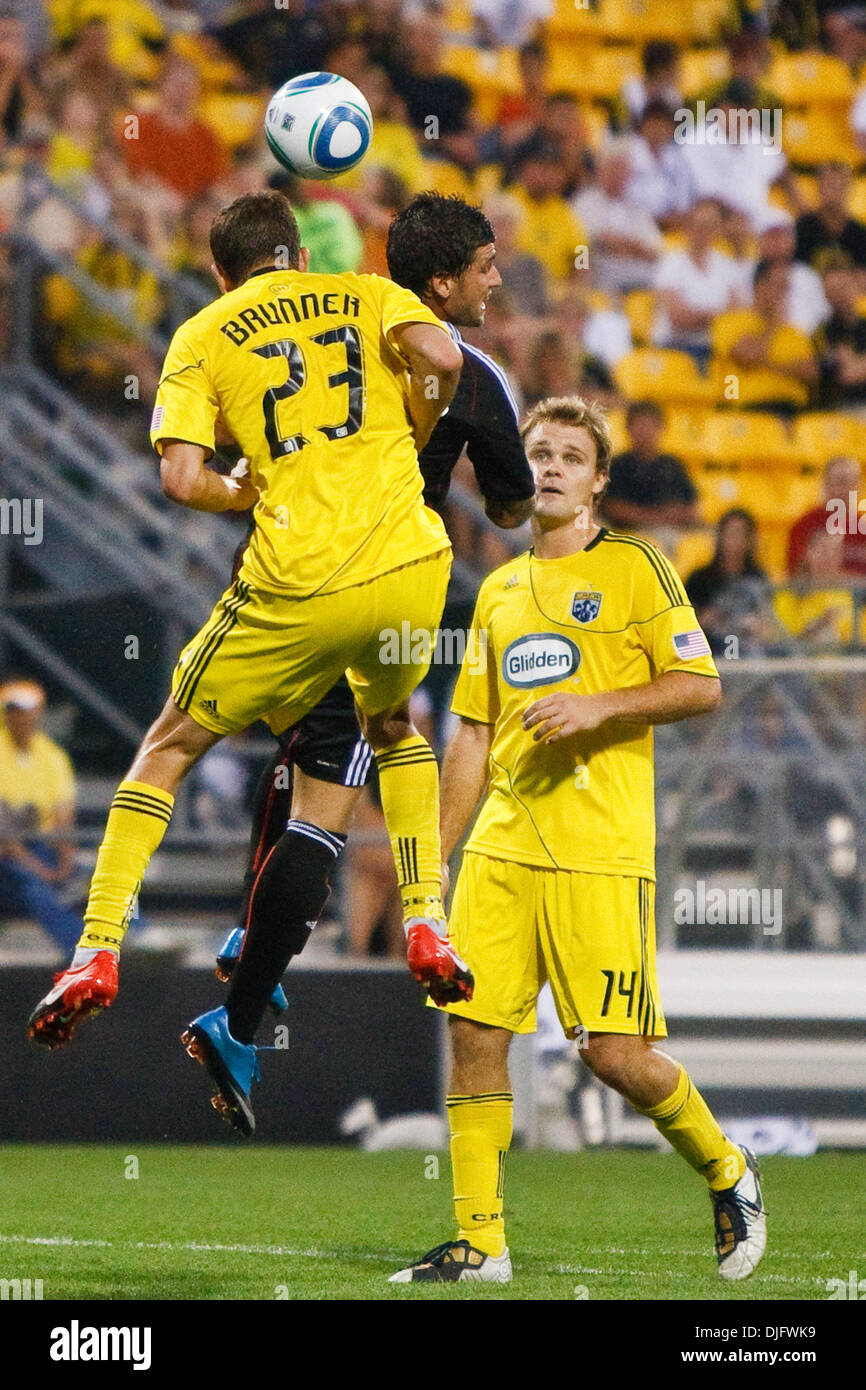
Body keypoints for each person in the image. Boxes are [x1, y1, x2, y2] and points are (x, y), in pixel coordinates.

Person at [27, 191, 467, 1114]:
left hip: (296, 582)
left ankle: (97, 944)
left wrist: (246, 490)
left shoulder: (202, 332)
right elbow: (442, 354)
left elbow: (181, 476)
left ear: (224, 273)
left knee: (170, 746)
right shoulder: (368, 292)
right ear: (297, 255)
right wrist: (419, 426)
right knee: (391, 728)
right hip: (410, 565)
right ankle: (427, 921)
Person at [390, 396, 766, 1286]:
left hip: (600, 850)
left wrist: (598, 706)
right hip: (503, 850)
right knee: (475, 1030)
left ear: (599, 481)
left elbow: (698, 684)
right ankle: (481, 1241)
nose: (551, 466)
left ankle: (727, 1169)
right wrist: (434, 866)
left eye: (569, 455)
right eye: (538, 453)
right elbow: (471, 736)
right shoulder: (497, 592)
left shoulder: (637, 569)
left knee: (613, 1055)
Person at [208, 194, 536, 1122]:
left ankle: (248, 946)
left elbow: (237, 447)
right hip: (381, 598)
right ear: (441, 284)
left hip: (274, 579)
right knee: (332, 787)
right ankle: (239, 1010)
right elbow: (510, 511)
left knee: (296, 755)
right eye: (483, 267)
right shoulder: (468, 373)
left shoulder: (313, 335)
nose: (496, 279)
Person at [0, 680, 84, 955]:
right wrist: (47, 873)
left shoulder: (52, 756)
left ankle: (142, 934)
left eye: (25, 710)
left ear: (39, 712)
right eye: (13, 710)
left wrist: (65, 862)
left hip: (43, 849)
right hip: (10, 859)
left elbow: (64, 819)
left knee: (101, 875)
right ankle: (80, 954)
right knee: (30, 885)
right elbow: (7, 841)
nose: (20, 717)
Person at [711, 258, 817, 413]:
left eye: (786, 288)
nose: (784, 294)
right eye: (779, 287)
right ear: (760, 287)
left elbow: (811, 372)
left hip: (791, 408)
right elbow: (748, 357)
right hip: (744, 408)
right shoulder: (730, 322)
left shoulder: (793, 332)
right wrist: (773, 326)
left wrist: (768, 364)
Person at [652, 197, 744, 364]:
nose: (703, 231)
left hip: (717, 348)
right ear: (687, 226)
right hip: (676, 347)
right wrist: (719, 315)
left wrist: (701, 316)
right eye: (698, 225)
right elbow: (679, 319)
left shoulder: (726, 265)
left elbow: (737, 315)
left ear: (717, 230)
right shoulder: (671, 263)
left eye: (710, 226)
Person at [685, 509, 774, 657]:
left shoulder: (759, 579)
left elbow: (767, 625)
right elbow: (684, 629)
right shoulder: (699, 579)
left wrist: (757, 626)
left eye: (742, 534)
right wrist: (706, 620)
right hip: (709, 653)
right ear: (720, 536)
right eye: (731, 533)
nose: (736, 540)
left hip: (749, 653)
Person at [602, 400, 699, 535]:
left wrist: (678, 514)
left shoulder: (673, 464)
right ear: (628, 428)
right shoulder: (618, 465)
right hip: (631, 531)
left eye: (650, 425)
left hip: (673, 528)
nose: (645, 431)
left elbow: (692, 504)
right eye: (640, 425)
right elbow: (612, 507)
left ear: (662, 428)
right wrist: (652, 517)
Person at [787, 455, 866, 577]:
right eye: (841, 481)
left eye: (853, 482)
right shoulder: (806, 525)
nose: (848, 489)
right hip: (816, 594)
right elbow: (797, 574)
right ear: (826, 484)